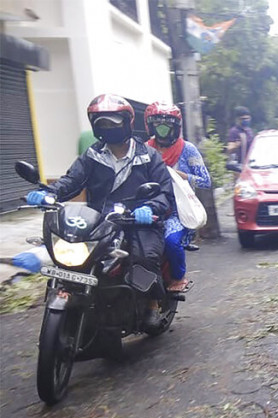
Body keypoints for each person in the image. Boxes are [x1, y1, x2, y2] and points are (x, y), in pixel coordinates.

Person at [26, 94, 174, 330]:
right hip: (100, 221)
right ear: (95, 126)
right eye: (102, 123)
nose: (108, 127)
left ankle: (152, 305)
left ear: (127, 122)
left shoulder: (148, 155)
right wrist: (49, 193)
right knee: (71, 255)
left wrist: (149, 208)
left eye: (113, 122)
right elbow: (71, 181)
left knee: (144, 257)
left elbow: (165, 193)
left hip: (137, 219)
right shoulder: (92, 155)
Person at [145, 102, 211, 293]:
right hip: (148, 208)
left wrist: (183, 176)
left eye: (167, 125)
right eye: (158, 124)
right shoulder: (144, 149)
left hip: (177, 212)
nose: (163, 129)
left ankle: (178, 277)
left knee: (171, 242)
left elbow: (206, 181)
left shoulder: (187, 149)